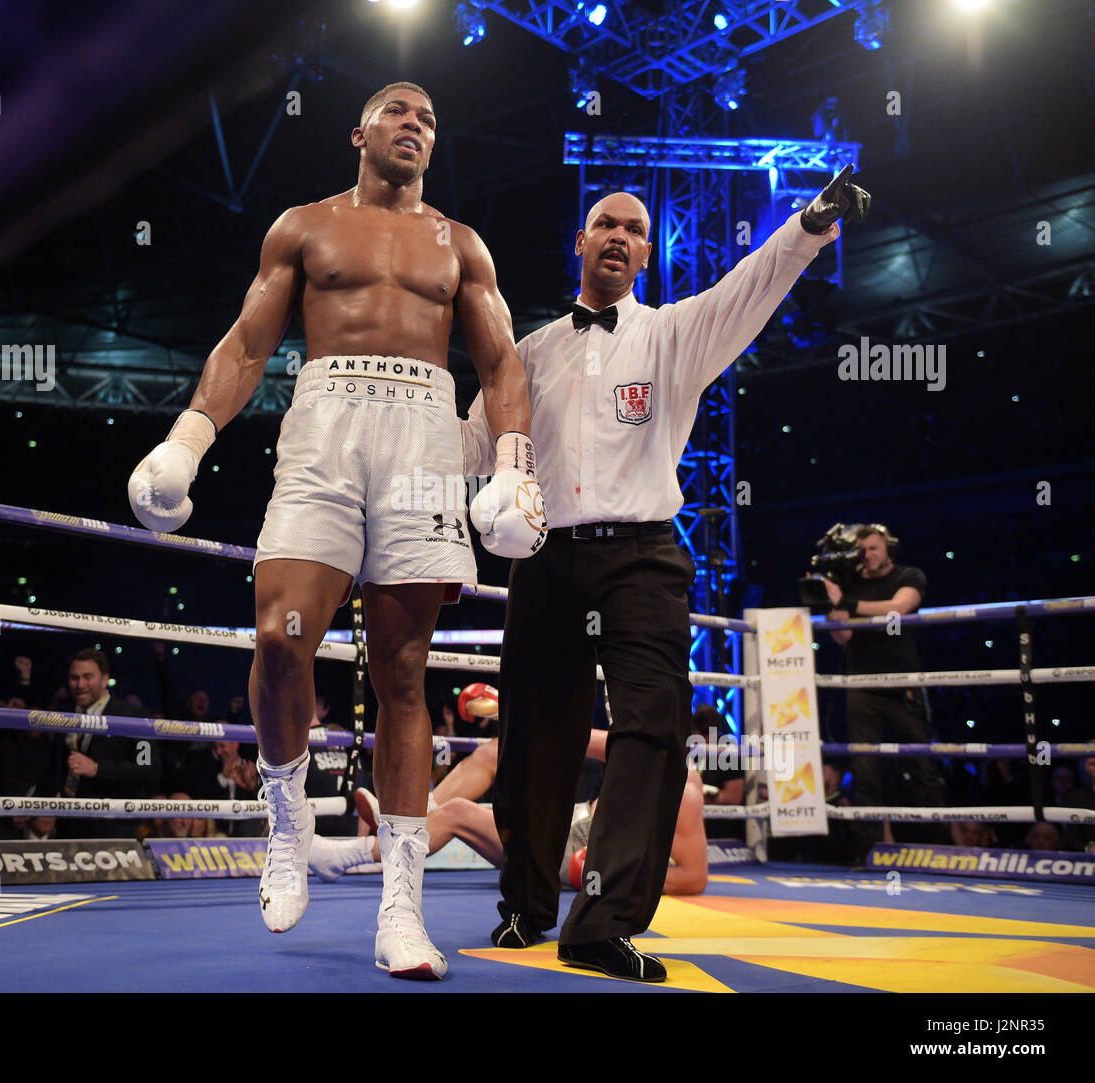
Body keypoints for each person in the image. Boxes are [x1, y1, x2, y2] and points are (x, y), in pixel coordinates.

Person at [126, 82, 547, 979]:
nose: (415, 124)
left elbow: (503, 360)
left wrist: (512, 465)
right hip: (326, 420)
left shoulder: (460, 244)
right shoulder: (304, 225)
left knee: (403, 671)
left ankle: (402, 904)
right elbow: (246, 345)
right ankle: (288, 816)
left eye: (430, 117)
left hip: (427, 432)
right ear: (360, 131)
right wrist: (184, 443)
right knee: (281, 637)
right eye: (399, 110)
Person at [460, 168, 869, 981]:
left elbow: (750, 285)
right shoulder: (525, 354)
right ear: (579, 241)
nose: (617, 235)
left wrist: (810, 224)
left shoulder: (677, 335)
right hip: (542, 559)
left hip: (642, 557)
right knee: (537, 739)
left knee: (651, 731)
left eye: (634, 228)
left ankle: (603, 919)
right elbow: (464, 453)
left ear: (647, 252)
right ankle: (525, 906)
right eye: (604, 223)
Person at [311, 727, 709, 896]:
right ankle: (409, 818)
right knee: (498, 751)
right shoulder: (635, 745)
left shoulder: (681, 794)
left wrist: (607, 876)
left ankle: (347, 854)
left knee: (457, 814)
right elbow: (568, 734)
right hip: (572, 819)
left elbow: (694, 877)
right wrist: (509, 708)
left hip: (576, 851)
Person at [824, 525, 948, 852]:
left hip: (902, 682)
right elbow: (844, 637)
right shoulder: (850, 585)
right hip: (862, 683)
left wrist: (846, 601)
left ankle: (940, 846)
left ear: (888, 548)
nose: (868, 554)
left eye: (874, 548)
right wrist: (830, 602)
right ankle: (871, 850)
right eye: (862, 549)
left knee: (921, 764)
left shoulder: (909, 576)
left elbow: (896, 609)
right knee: (865, 769)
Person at [53, 648, 162, 839]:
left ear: (105, 679)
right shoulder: (65, 713)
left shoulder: (132, 716)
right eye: (74, 677)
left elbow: (147, 768)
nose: (80, 684)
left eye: (88, 677)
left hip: (116, 829)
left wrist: (98, 768)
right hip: (70, 826)